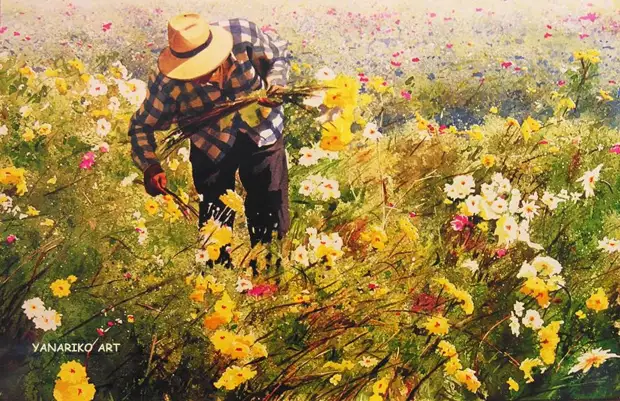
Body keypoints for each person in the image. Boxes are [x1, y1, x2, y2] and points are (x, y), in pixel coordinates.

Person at [128, 13, 291, 268]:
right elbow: (141, 125)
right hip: (209, 142)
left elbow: (278, 57)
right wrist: (150, 165)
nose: (200, 78)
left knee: (269, 205)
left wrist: (275, 84)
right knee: (215, 216)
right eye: (191, 72)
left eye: (204, 67)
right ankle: (217, 283)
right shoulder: (167, 81)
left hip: (262, 128)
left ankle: (270, 278)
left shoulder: (243, 35)